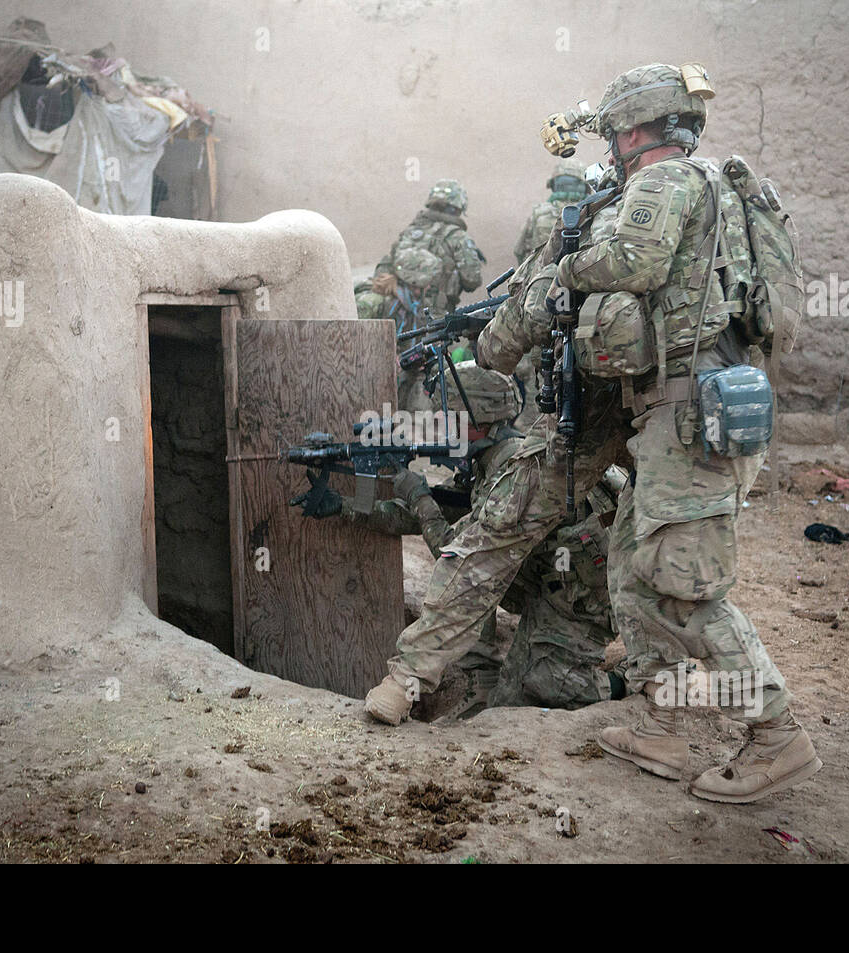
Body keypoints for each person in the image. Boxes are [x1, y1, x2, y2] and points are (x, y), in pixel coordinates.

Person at [533, 62, 820, 804]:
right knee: (633, 566)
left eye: (617, 133)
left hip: (689, 420)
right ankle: (660, 725)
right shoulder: (712, 187)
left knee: (686, 591)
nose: (615, 149)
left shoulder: (665, 183)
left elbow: (634, 259)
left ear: (637, 129)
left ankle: (776, 733)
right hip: (685, 416)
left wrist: (567, 267)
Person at [294, 361, 629, 716]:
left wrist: (417, 495)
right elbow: (433, 516)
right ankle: (479, 675)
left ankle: (630, 678)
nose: (438, 428)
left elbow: (460, 552)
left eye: (447, 419)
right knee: (503, 701)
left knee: (539, 685)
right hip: (546, 583)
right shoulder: (485, 460)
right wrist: (343, 507)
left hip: (583, 600)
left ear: (478, 421)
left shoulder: (512, 466)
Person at [355, 179, 485, 410]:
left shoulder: (412, 232)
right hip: (433, 318)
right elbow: (472, 279)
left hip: (400, 311)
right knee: (429, 374)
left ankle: (386, 418)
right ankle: (419, 427)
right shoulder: (457, 238)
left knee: (394, 365)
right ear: (458, 207)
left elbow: (384, 267)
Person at [514, 158, 590, 264]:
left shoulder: (539, 213)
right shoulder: (594, 212)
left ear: (554, 185)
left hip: (542, 276)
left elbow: (519, 251)